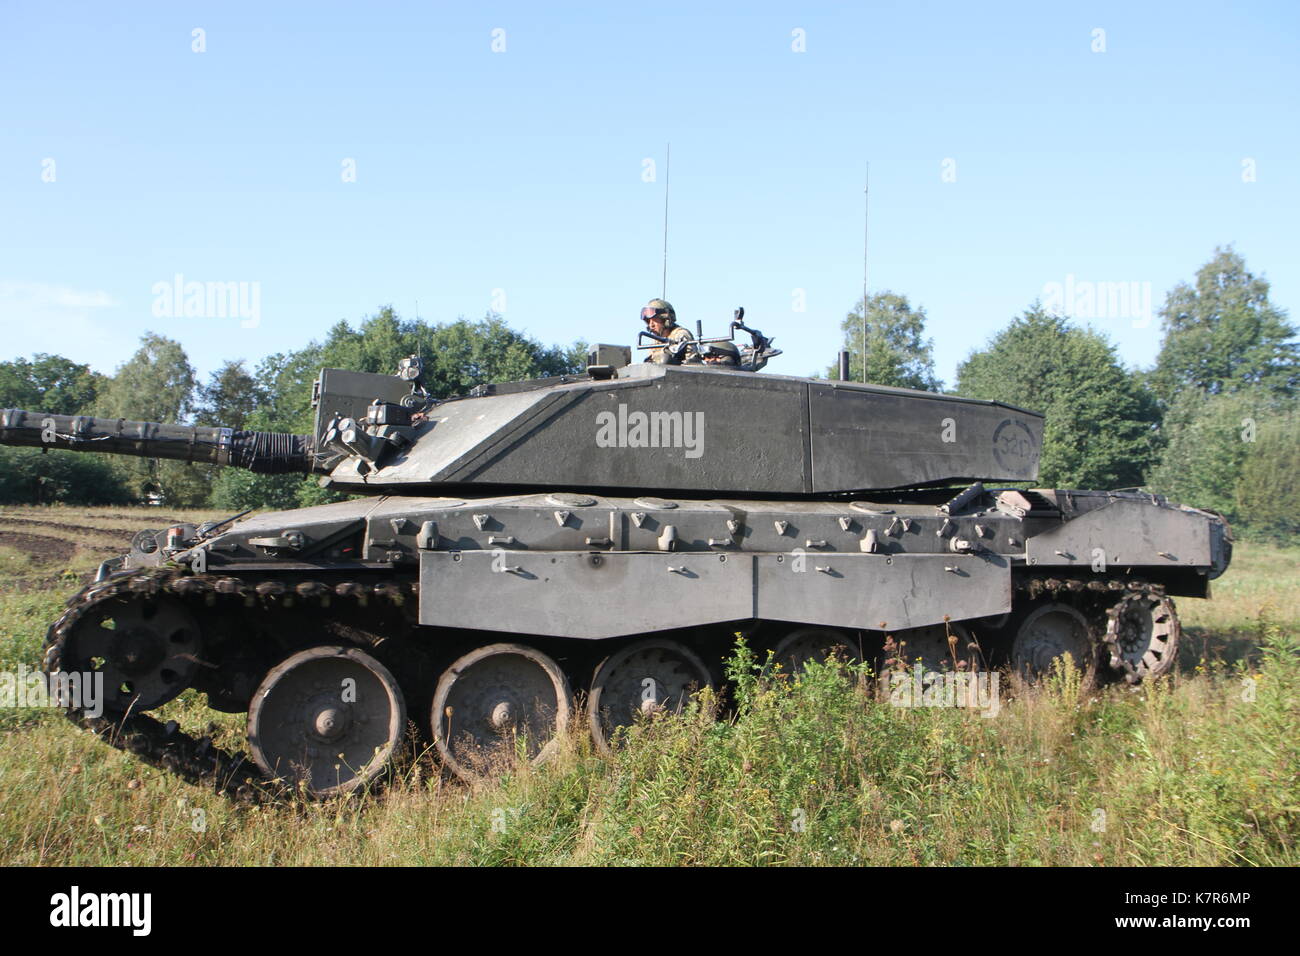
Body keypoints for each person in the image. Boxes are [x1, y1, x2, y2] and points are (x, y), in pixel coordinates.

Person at [641, 299, 696, 364]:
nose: (651, 325)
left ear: (666, 320)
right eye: (648, 321)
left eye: (655, 320)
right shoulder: (656, 342)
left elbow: (692, 362)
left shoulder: (681, 335)